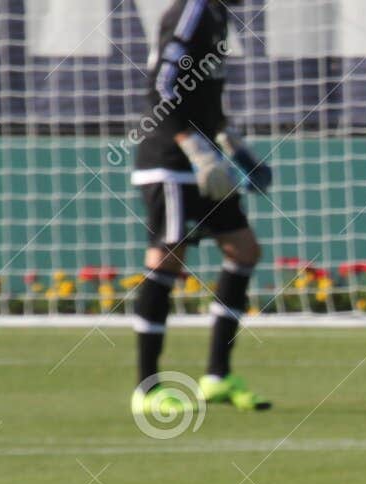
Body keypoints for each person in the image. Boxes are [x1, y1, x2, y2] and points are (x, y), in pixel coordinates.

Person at [130, 0, 271, 416]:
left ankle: (217, 376)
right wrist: (195, 150)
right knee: (168, 258)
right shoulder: (192, 11)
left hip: (202, 158)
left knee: (244, 250)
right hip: (170, 162)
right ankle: (147, 388)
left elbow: (203, 96)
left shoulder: (215, 14)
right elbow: (162, 86)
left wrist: (233, 145)